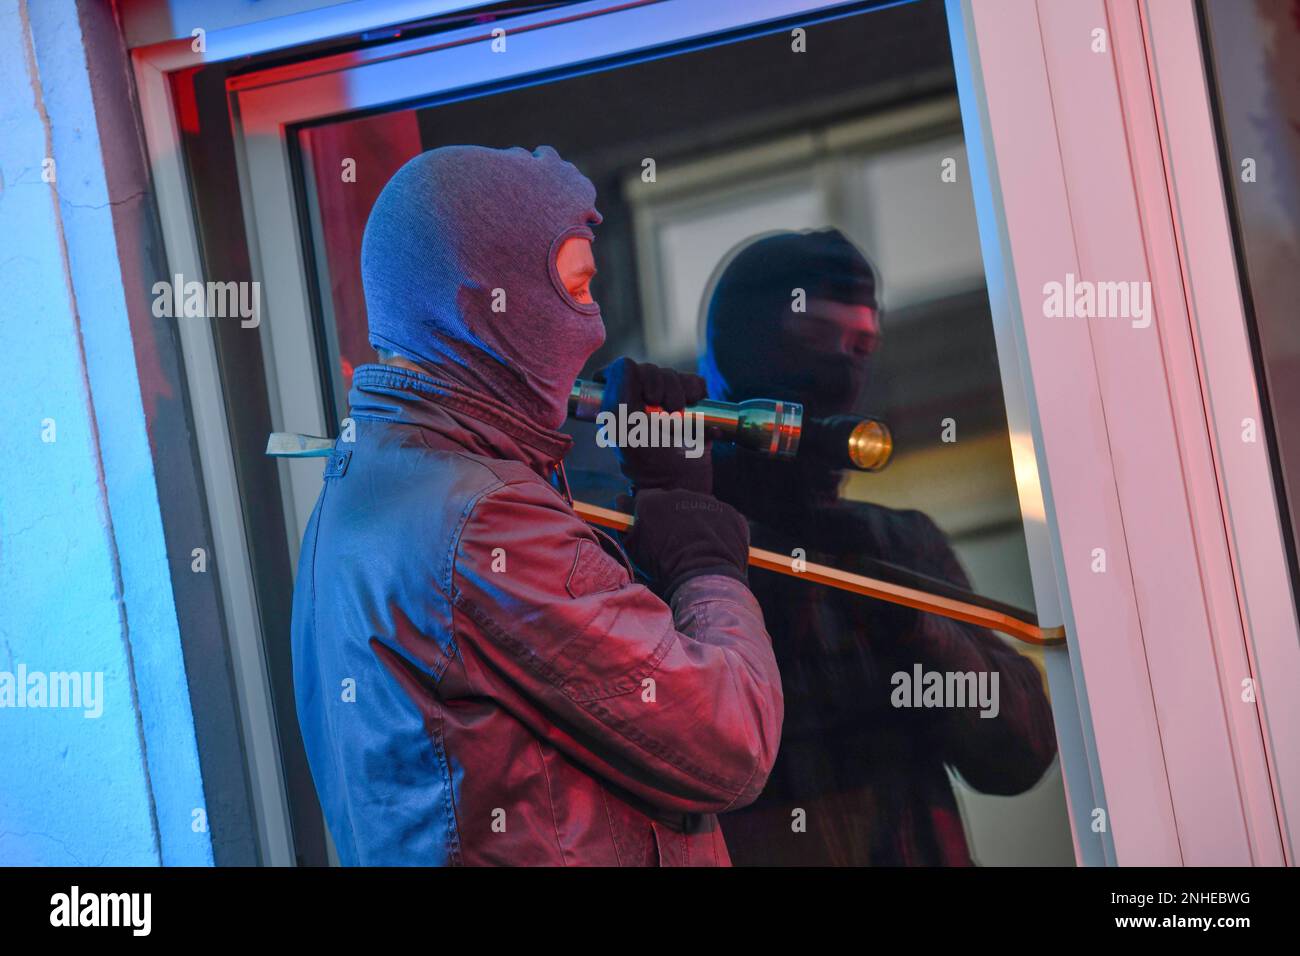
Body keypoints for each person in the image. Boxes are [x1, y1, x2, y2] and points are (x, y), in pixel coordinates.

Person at [290, 145, 783, 866]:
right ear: (484, 303)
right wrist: (702, 556)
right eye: (575, 291)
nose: (595, 326)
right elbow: (730, 740)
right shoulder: (482, 520)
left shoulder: (373, 489)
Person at [699, 228, 1057, 865]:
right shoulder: (680, 545)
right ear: (749, 342)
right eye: (816, 334)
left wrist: (914, 622)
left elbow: (1017, 751)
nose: (842, 364)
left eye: (862, 343)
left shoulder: (898, 543)